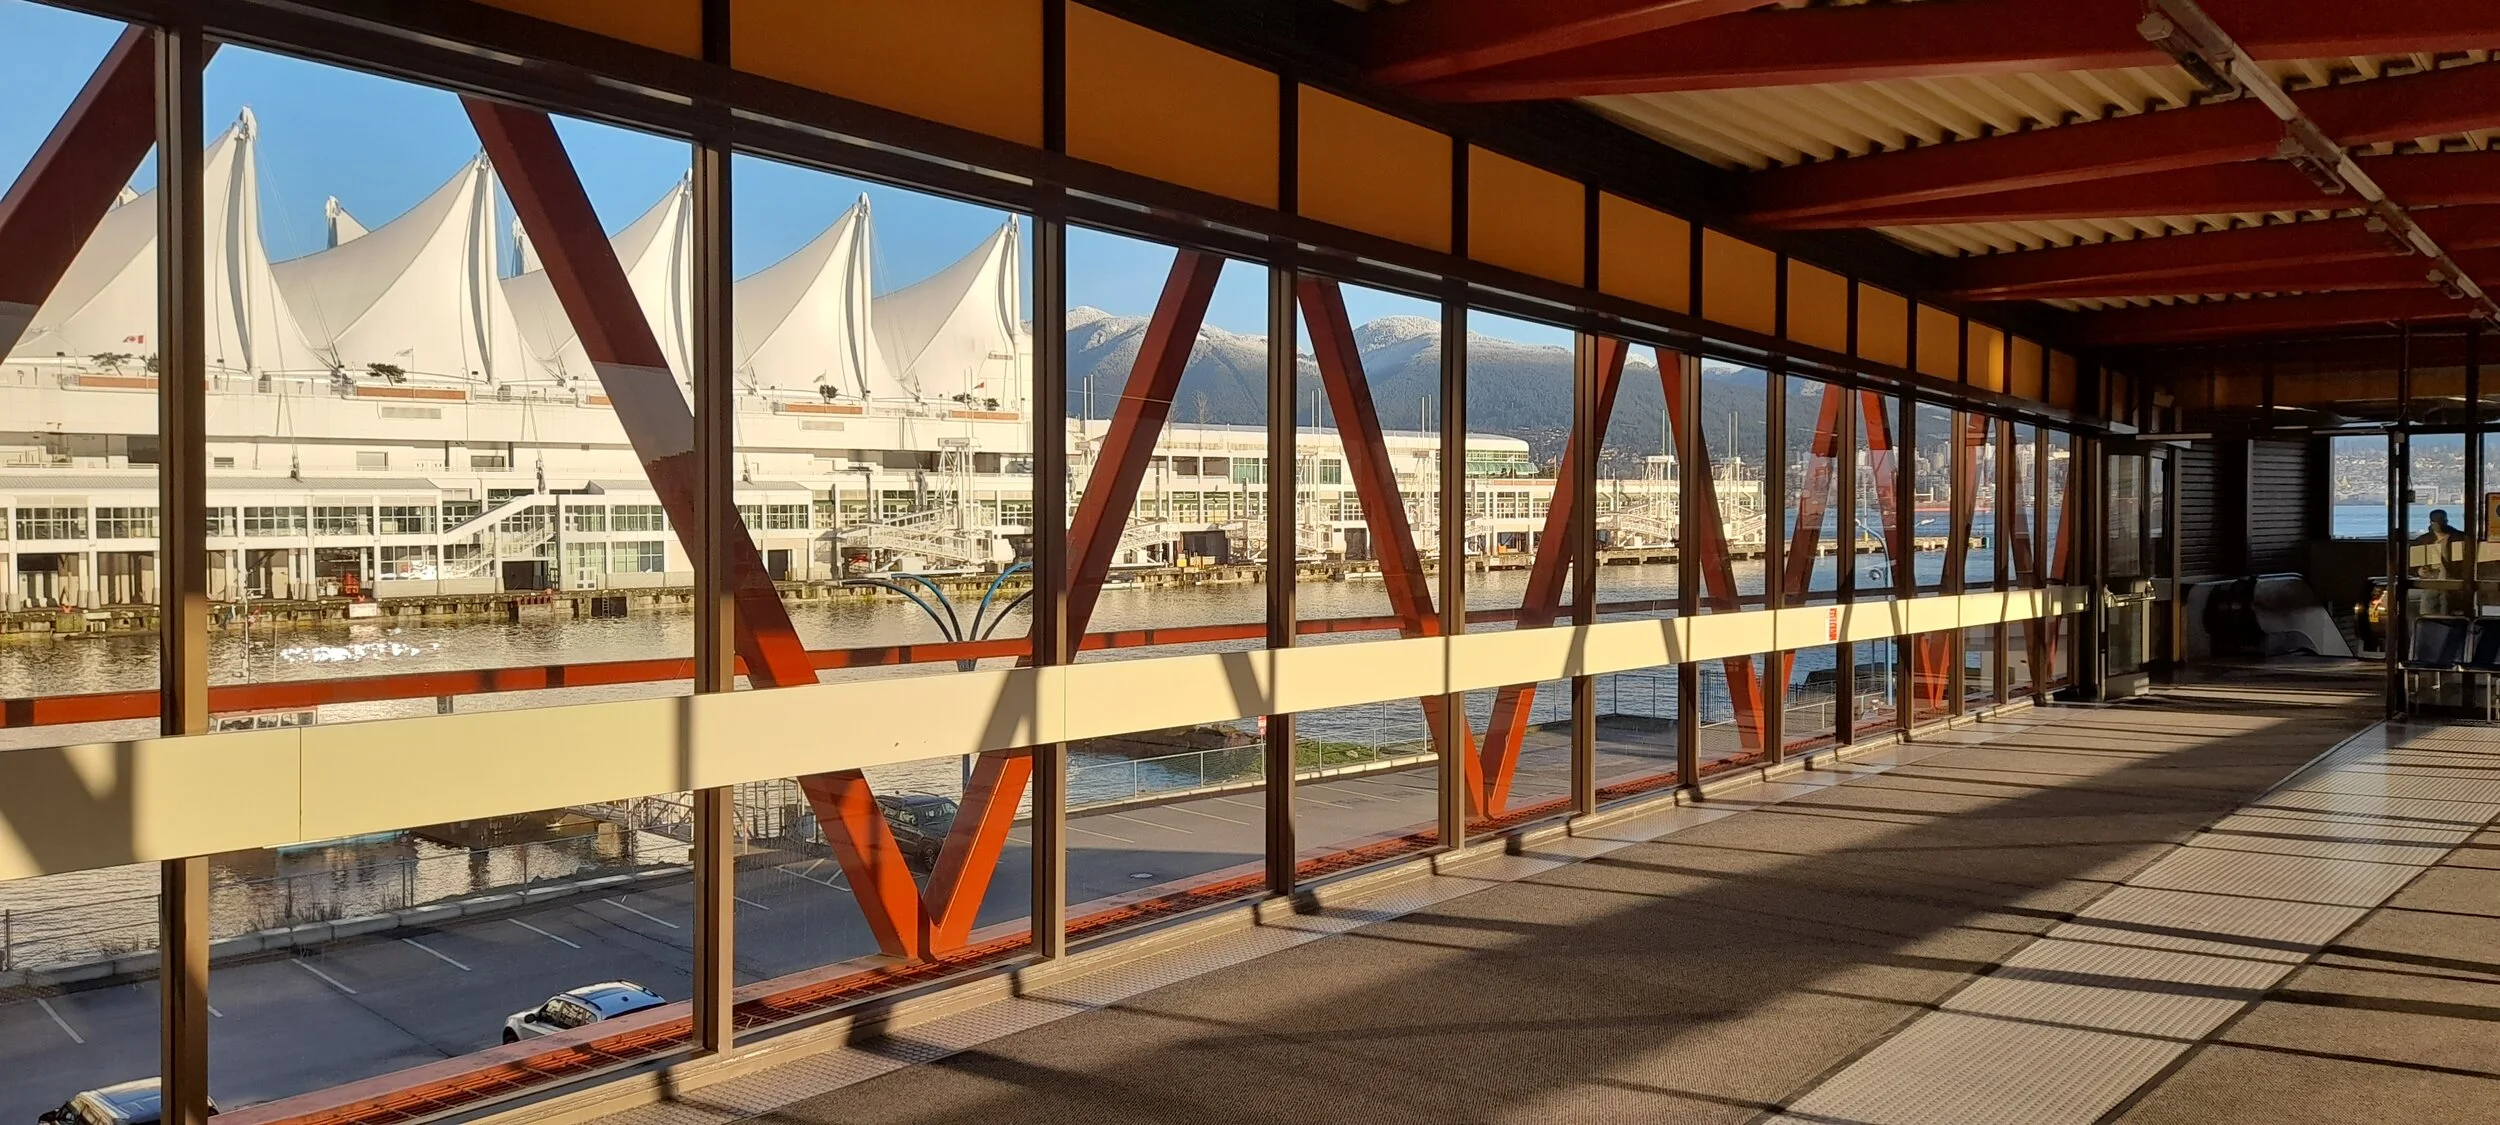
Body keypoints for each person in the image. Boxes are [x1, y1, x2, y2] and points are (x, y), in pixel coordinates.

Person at [2413, 509, 2466, 614]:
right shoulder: (2423, 540)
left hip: (2451, 581)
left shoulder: (2459, 538)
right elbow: (2413, 560)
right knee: (2428, 612)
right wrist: (2418, 571)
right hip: (2431, 581)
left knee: (2445, 612)